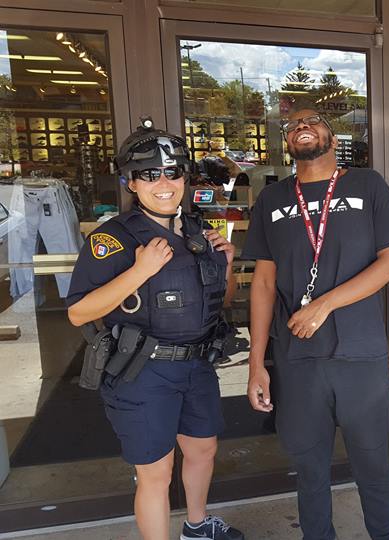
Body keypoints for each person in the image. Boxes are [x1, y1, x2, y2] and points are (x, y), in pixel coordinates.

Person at [66, 118, 243, 540]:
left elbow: (224, 299)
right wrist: (140, 270)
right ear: (130, 182)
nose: (162, 182)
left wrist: (229, 264)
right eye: (148, 174)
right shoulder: (112, 239)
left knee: (203, 449)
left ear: (184, 176)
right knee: (156, 473)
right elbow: (78, 312)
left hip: (198, 365)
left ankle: (197, 527)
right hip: (142, 371)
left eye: (172, 171)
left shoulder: (201, 232)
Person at [244, 107, 389, 540]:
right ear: (287, 143)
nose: (302, 126)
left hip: (360, 355)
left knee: (373, 467)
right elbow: (263, 284)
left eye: (313, 121)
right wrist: (256, 363)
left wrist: (324, 305)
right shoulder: (273, 199)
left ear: (333, 140)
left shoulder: (367, 185)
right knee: (310, 469)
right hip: (297, 359)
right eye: (293, 124)